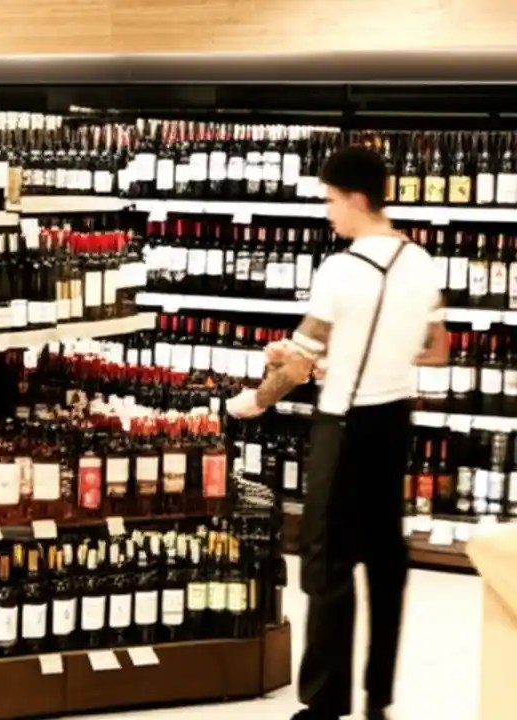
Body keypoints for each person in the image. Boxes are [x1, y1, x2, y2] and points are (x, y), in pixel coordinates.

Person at [226, 144, 448, 720]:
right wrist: (358, 355)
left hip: (344, 426)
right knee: (385, 559)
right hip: (394, 421)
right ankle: (378, 698)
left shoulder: (341, 270)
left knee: (326, 563)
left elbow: (298, 363)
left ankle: (325, 704)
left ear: (356, 199)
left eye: (330, 200)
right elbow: (437, 348)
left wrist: (255, 400)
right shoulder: (419, 261)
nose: (327, 212)